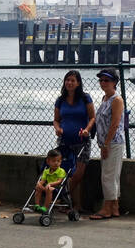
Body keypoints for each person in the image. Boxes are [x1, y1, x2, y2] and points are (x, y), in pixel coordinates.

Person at [52, 70, 95, 210]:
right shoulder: (60, 100)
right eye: (67, 80)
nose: (69, 83)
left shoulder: (85, 98)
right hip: (64, 142)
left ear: (78, 83)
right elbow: (56, 120)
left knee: (77, 175)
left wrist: (87, 129)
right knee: (66, 173)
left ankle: (59, 196)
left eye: (72, 80)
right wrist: (57, 129)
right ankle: (75, 205)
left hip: (82, 141)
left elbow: (92, 117)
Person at [90, 69, 125, 219]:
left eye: (107, 80)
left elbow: (115, 124)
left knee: (108, 176)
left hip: (113, 142)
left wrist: (106, 144)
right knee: (113, 175)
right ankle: (115, 207)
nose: (103, 83)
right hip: (107, 142)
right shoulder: (105, 98)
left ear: (115, 83)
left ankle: (106, 208)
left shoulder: (116, 100)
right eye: (101, 80)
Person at [32, 149, 66, 213]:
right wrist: (39, 183)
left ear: (61, 161)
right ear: (48, 162)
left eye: (58, 161)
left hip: (57, 190)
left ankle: (45, 207)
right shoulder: (46, 171)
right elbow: (43, 180)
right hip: (46, 188)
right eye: (53, 161)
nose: (56, 163)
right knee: (38, 187)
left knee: (49, 188)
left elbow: (59, 181)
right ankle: (37, 205)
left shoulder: (61, 171)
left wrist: (50, 184)